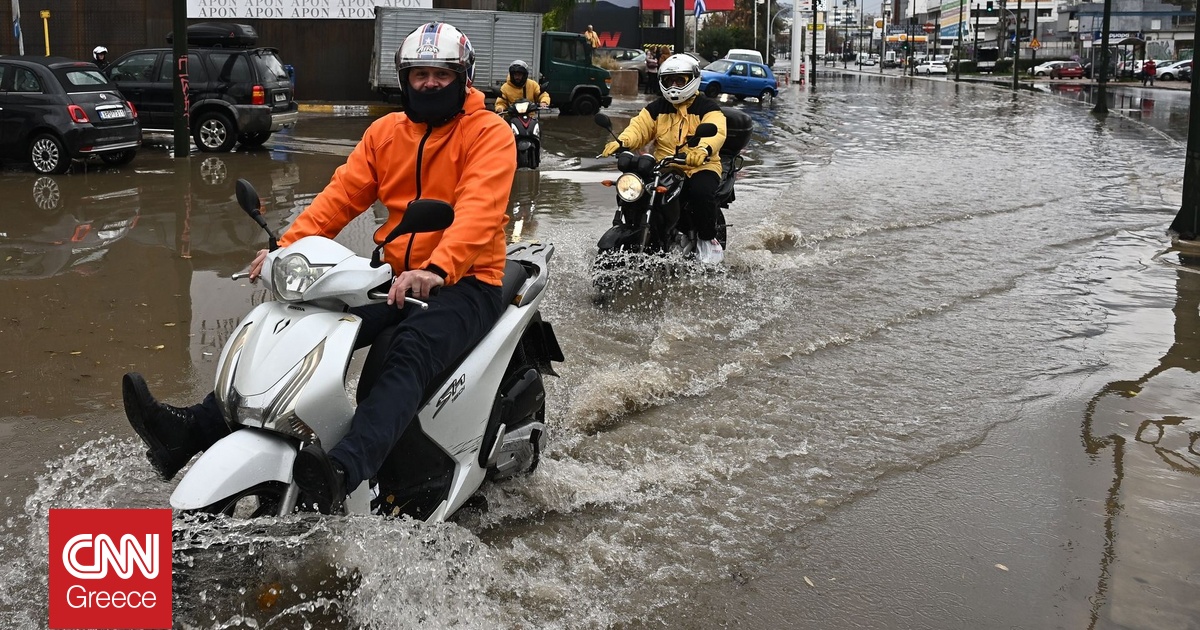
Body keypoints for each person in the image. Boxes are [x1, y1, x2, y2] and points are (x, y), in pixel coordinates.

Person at [120, 21, 517, 514]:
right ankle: (189, 432)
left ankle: (343, 469)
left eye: (442, 73)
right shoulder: (385, 133)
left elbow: (480, 208)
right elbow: (340, 197)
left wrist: (437, 267)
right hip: (395, 280)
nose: (430, 83)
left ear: (464, 76)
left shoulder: (488, 133)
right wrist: (284, 249)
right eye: (420, 74)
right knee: (310, 320)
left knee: (409, 351)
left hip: (465, 282)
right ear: (405, 78)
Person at [599, 53, 728, 264]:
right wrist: (622, 142)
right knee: (638, 189)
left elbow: (717, 132)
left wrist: (703, 149)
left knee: (700, 192)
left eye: (680, 80)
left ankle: (707, 239)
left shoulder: (708, 108)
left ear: (692, 79)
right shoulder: (657, 108)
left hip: (700, 165)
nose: (675, 85)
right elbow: (639, 128)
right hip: (665, 166)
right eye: (670, 80)